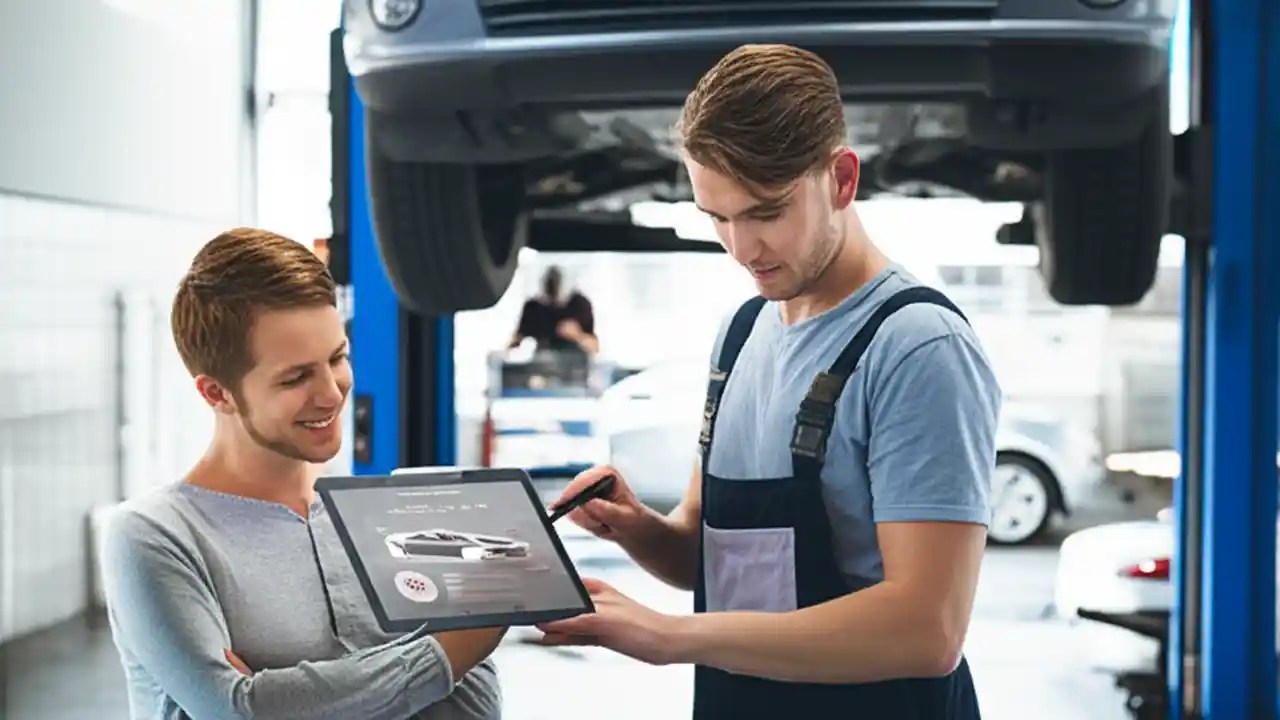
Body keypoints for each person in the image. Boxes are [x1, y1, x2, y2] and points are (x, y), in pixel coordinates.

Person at [536, 44, 1001, 719]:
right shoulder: (743, 330)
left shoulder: (917, 348)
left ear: (841, 180)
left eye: (765, 212)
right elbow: (716, 563)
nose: (740, 247)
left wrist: (671, 636)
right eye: (716, 217)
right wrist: (636, 528)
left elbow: (927, 629)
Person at [100, 228, 505, 719]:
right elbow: (240, 712)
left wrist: (296, 696)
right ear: (216, 393)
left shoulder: (386, 515)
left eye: (337, 358)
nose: (332, 393)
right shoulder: (154, 535)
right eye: (295, 378)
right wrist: (445, 652)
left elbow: (472, 709)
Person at [509, 266, 599, 355]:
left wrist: (578, 335)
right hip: (541, 362)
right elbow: (515, 342)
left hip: (572, 362)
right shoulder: (533, 308)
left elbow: (595, 348)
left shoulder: (580, 305)